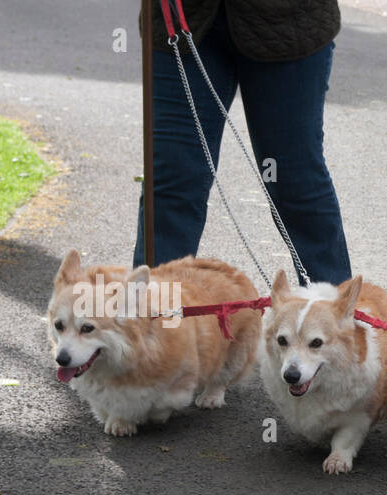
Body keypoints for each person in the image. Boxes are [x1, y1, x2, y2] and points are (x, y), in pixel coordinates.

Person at [136, 0, 351, 284]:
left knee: (294, 180)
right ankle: (152, 318)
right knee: (172, 181)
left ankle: (331, 320)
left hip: (290, 23)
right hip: (179, 17)